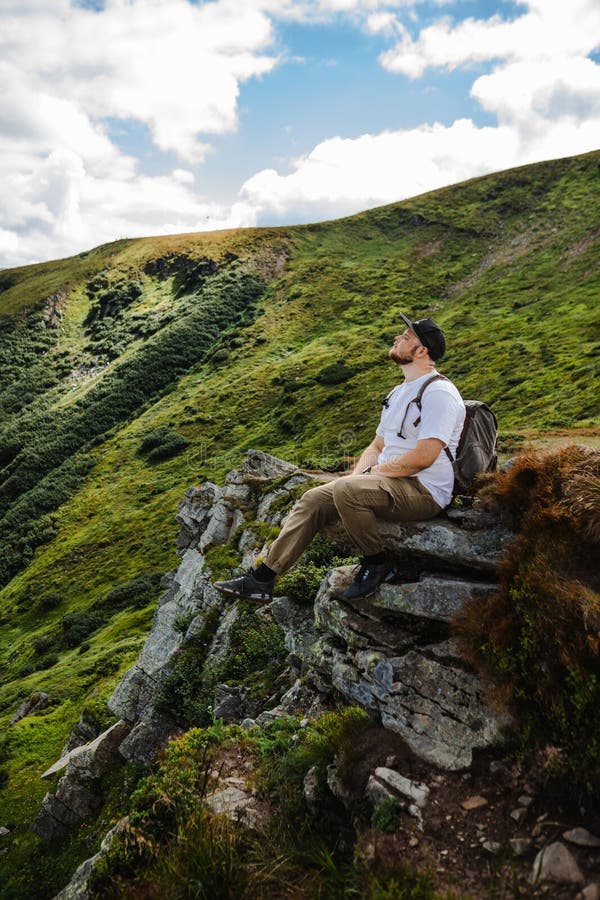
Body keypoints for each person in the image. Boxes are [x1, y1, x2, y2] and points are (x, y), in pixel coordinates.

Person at [214, 312, 466, 603]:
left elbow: (424, 457)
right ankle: (261, 580)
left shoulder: (440, 393)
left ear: (422, 351)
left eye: (406, 337)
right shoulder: (399, 392)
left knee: (348, 491)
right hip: (391, 483)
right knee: (315, 498)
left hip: (423, 490)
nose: (397, 338)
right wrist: (360, 476)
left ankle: (376, 561)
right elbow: (377, 445)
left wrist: (369, 478)